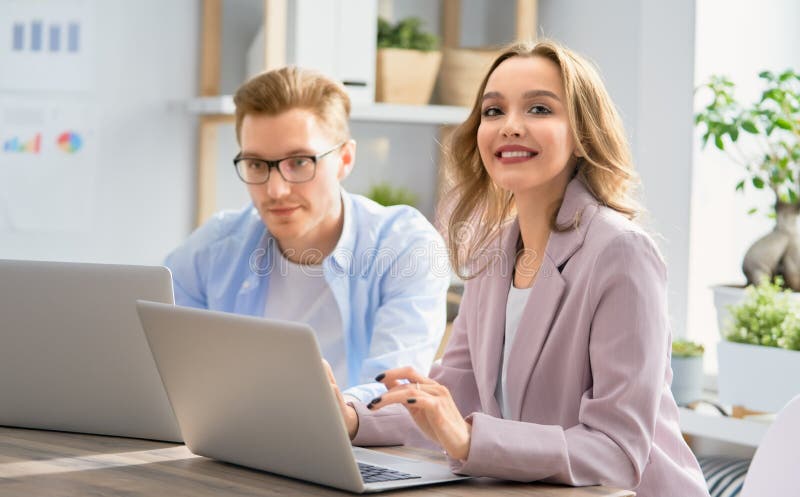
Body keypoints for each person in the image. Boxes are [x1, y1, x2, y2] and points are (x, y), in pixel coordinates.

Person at [331, 40, 710, 496]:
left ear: (583, 134)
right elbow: (457, 391)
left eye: (539, 109)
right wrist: (350, 419)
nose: (510, 127)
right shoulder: (494, 251)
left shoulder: (622, 253)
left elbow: (616, 451)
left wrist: (469, 438)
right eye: (493, 111)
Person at [165, 67, 449, 403]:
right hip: (233, 443)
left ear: (345, 159)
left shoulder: (403, 246)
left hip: (358, 448)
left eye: (299, 162)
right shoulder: (216, 245)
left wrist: (335, 420)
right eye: (257, 164)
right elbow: (158, 360)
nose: (276, 190)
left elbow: (394, 393)